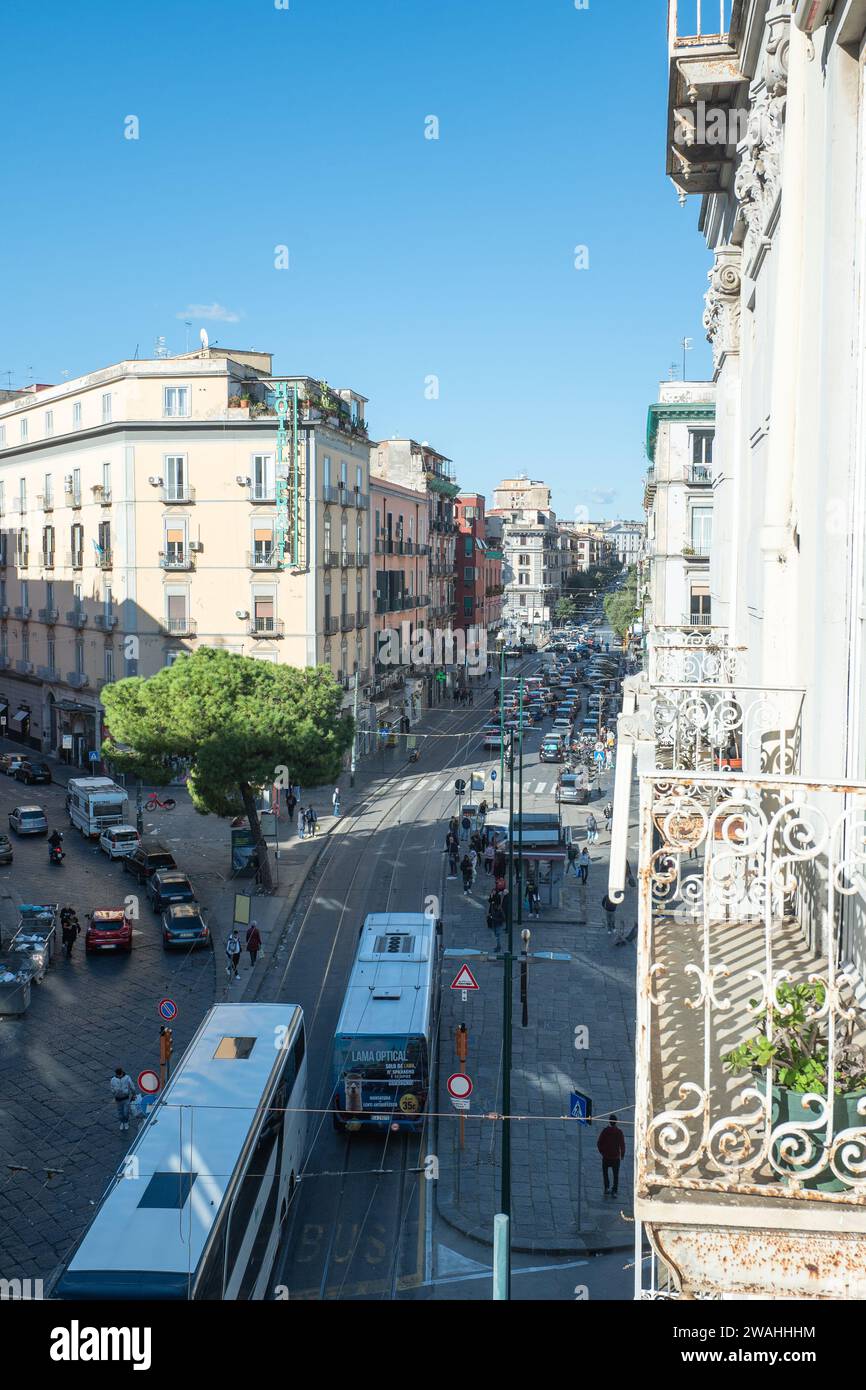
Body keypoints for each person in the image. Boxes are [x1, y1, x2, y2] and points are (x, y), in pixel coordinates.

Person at [597, 1115, 626, 1197]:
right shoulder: (619, 1132)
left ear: (609, 1121)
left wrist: (602, 1152)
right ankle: (614, 1191)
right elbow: (622, 1144)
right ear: (616, 1122)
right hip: (616, 1157)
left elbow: (599, 1142)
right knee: (615, 1175)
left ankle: (606, 1188)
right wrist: (622, 1154)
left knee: (605, 1173)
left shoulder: (605, 1131)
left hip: (606, 1157)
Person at [110, 1067, 137, 1133]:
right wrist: (114, 1092)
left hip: (126, 1098)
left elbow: (132, 1086)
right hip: (118, 1099)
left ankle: (126, 1122)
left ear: (122, 1073)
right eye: (118, 1075)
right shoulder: (113, 1079)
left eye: (120, 1074)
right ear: (116, 1074)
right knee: (120, 1113)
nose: (119, 1076)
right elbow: (112, 1088)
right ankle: (122, 1122)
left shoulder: (127, 1078)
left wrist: (134, 1094)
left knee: (126, 1112)